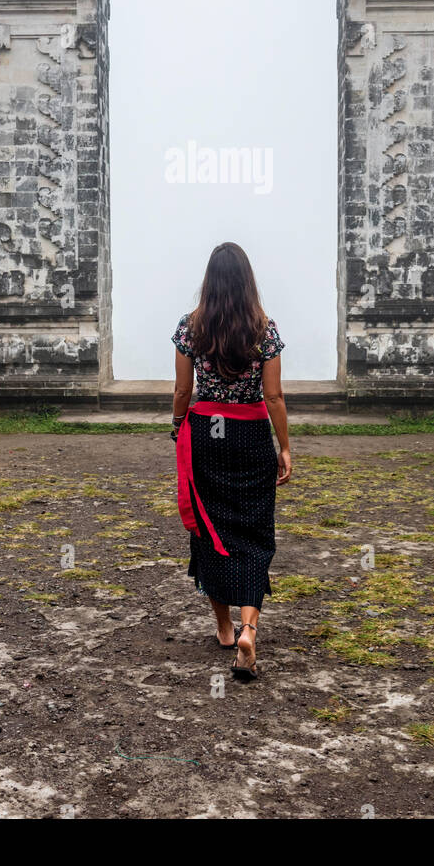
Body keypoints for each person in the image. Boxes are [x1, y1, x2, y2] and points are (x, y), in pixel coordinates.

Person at [171, 242, 292, 682]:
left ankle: (223, 627)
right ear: (247, 281)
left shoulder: (189, 329)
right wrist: (284, 446)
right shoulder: (265, 330)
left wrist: (177, 426)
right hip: (250, 435)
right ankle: (250, 629)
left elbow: (184, 392)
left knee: (211, 529)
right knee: (254, 532)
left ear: (210, 281)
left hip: (206, 434)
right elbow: (273, 396)